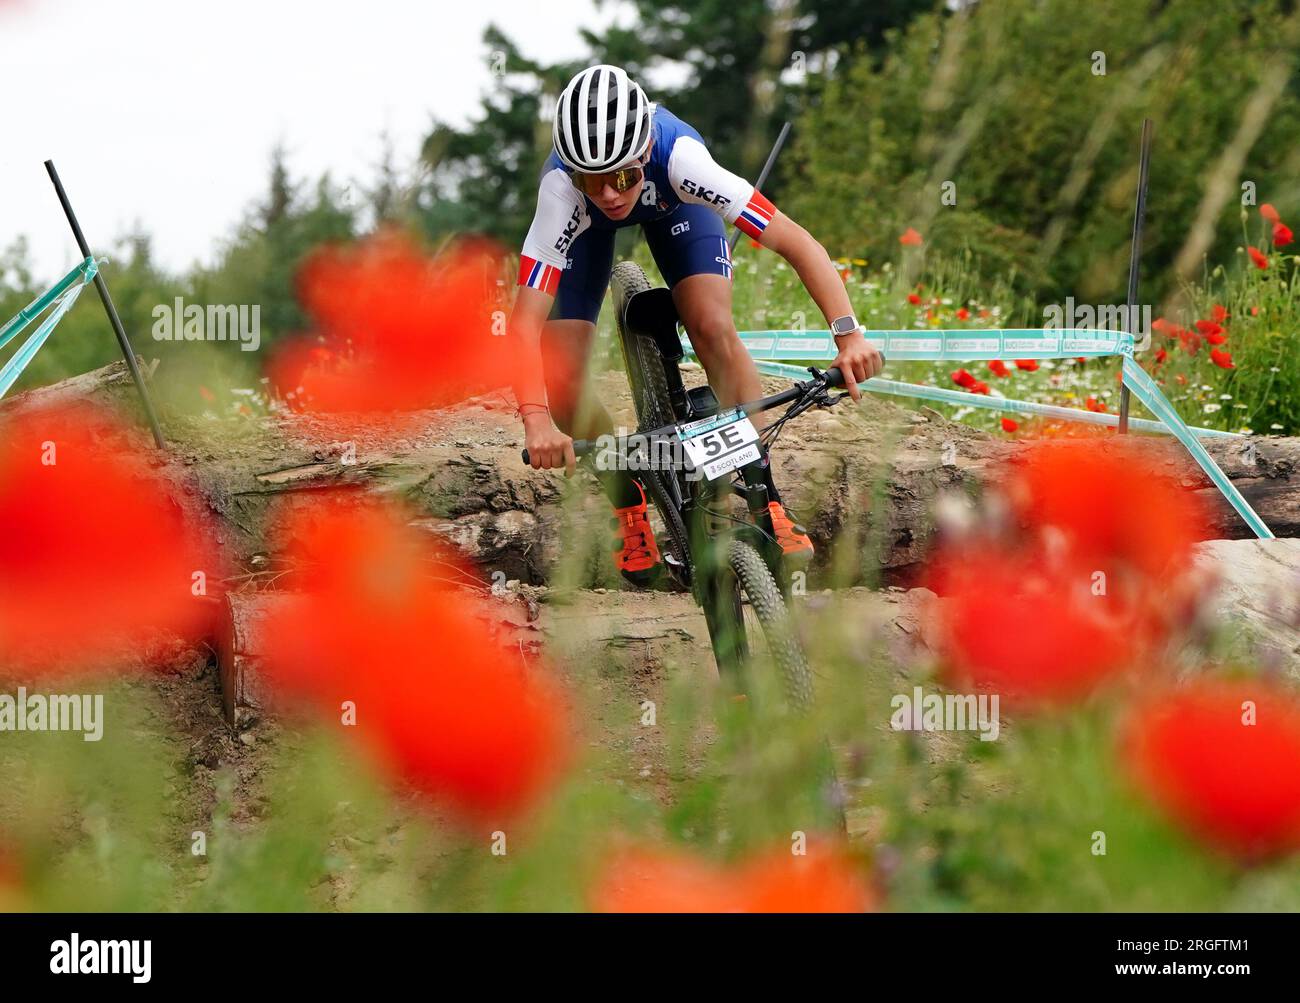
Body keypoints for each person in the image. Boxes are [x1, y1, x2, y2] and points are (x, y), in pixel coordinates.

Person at [510, 63, 883, 586]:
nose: (611, 195)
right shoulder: (564, 193)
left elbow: (798, 244)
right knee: (564, 381)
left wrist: (849, 337)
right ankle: (628, 496)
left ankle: (763, 498)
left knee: (710, 324)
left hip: (674, 208)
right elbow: (523, 326)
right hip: (586, 234)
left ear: (642, 154)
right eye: (593, 181)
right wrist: (536, 421)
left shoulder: (682, 161)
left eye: (621, 177)